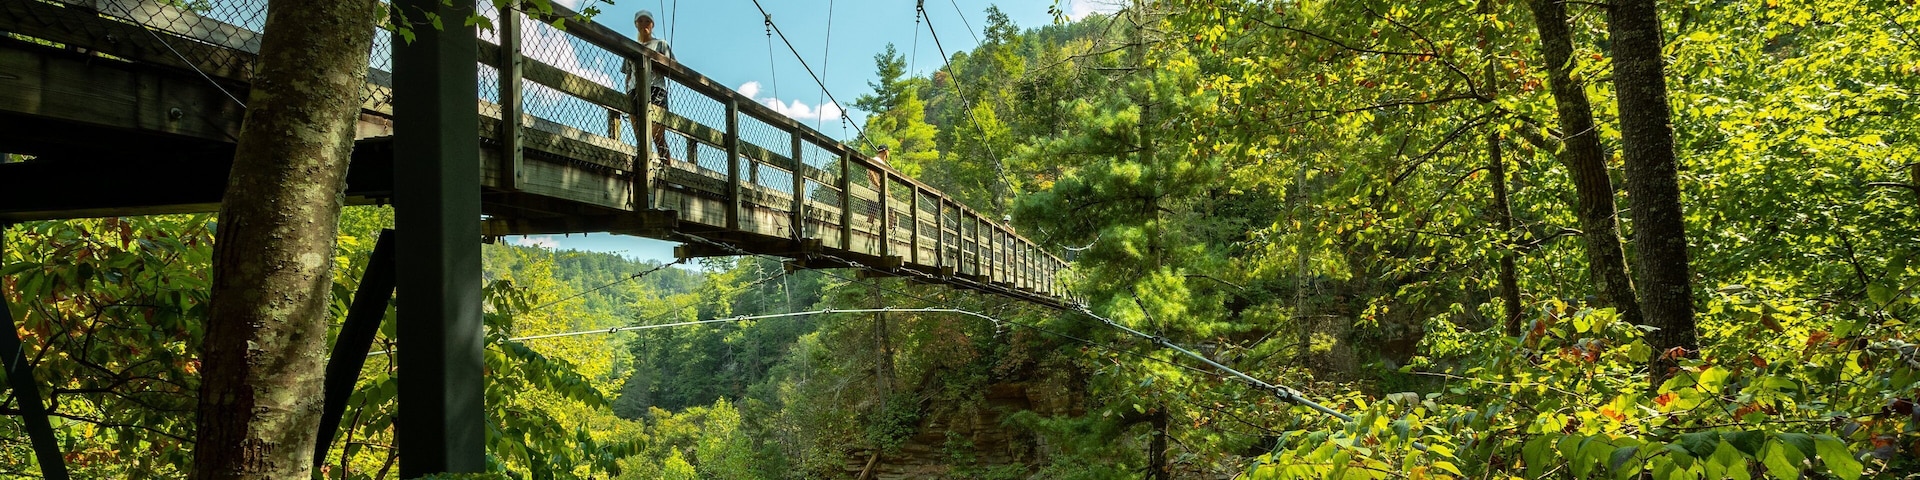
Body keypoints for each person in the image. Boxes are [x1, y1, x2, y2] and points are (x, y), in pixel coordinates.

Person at [621, 9, 674, 167]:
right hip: (634, 90)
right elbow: (628, 73)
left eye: (647, 21)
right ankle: (645, 167)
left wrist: (659, 64)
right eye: (641, 21)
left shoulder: (660, 44)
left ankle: (667, 169)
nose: (644, 24)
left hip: (655, 88)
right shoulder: (632, 46)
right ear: (636, 24)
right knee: (640, 135)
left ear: (652, 24)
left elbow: (673, 66)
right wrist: (627, 90)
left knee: (657, 134)